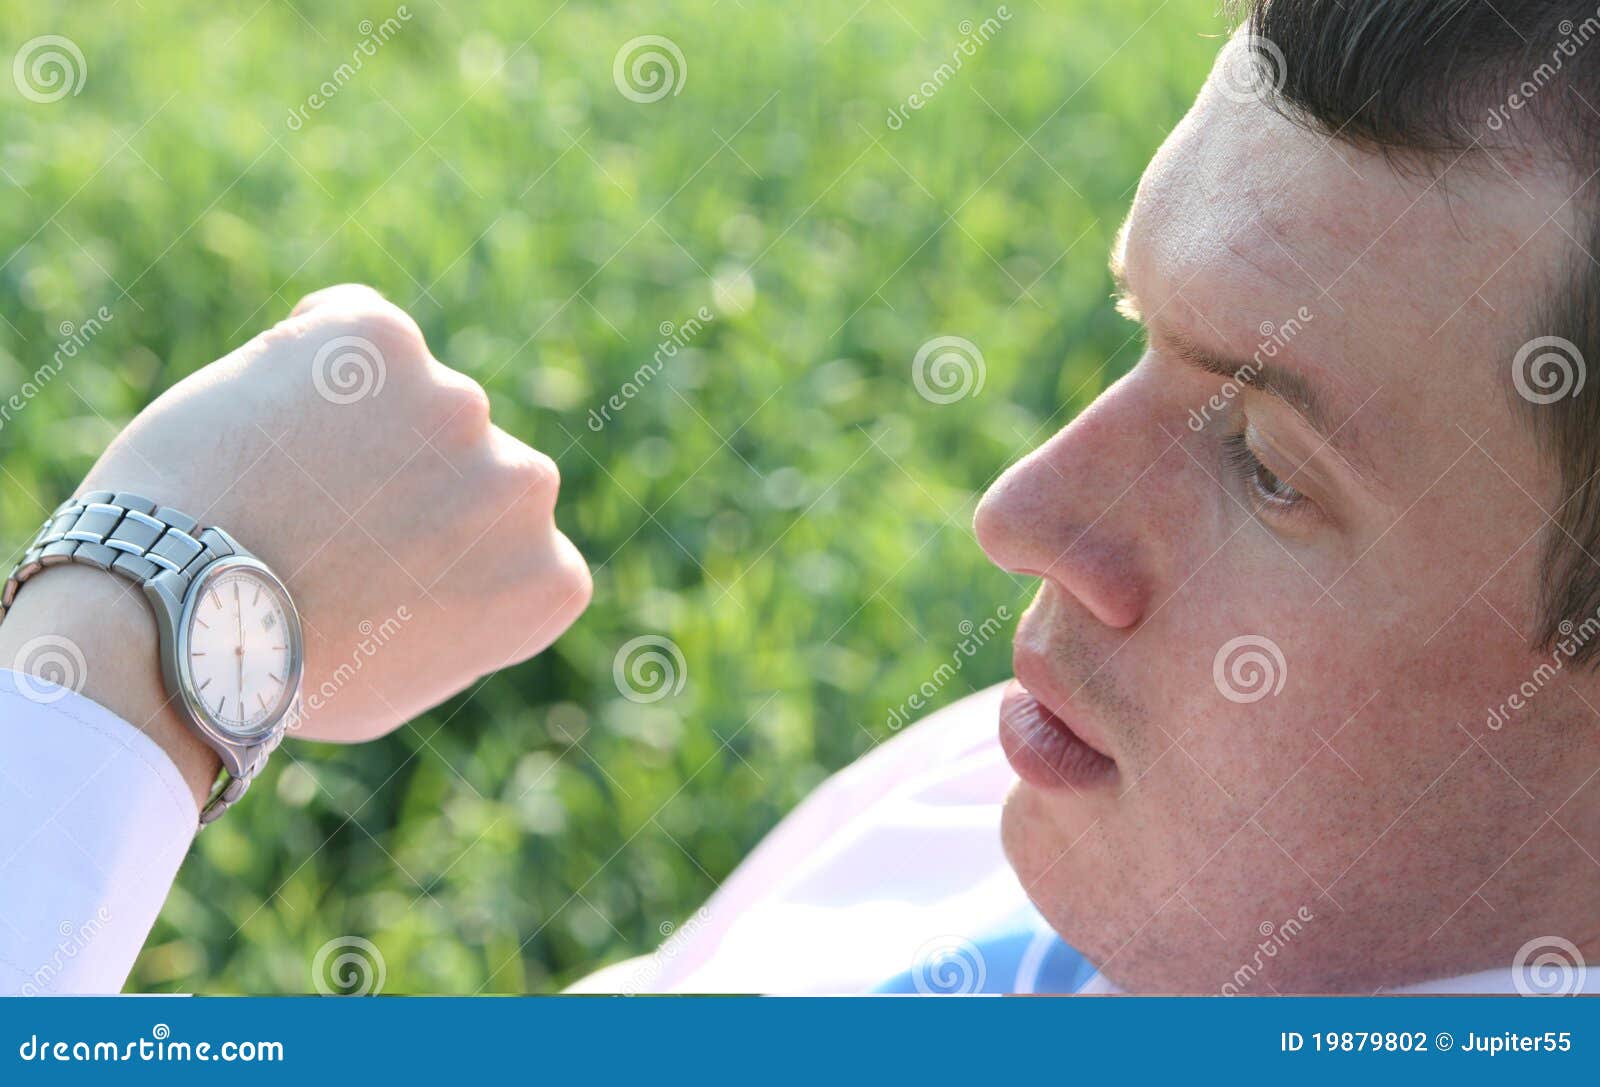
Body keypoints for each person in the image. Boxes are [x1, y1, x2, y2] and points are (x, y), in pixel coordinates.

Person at [4, 0, 1600, 996]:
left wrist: (142, 635)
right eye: (1138, 336)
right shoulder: (1083, 811)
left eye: (1268, 467)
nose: (1029, 511)